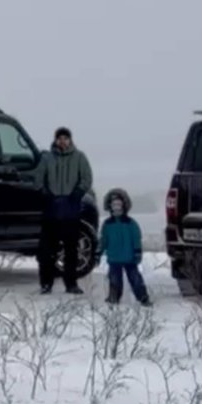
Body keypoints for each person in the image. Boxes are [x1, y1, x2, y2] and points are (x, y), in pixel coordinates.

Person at [36, 126, 93, 294]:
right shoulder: (47, 158)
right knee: (47, 251)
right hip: (51, 212)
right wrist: (45, 194)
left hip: (71, 212)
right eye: (59, 138)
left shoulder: (80, 157)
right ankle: (46, 284)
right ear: (55, 140)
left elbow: (87, 178)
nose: (62, 141)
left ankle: (71, 284)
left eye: (65, 138)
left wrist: (77, 194)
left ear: (70, 140)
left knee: (71, 251)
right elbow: (38, 178)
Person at [97, 188, 151, 306]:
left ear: (124, 206)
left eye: (119, 205)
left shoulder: (131, 223)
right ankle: (113, 298)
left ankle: (143, 297)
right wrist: (98, 253)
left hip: (130, 259)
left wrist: (137, 252)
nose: (116, 208)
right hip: (114, 259)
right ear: (109, 206)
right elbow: (103, 240)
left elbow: (136, 238)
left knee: (136, 279)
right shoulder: (107, 225)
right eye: (114, 205)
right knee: (114, 281)